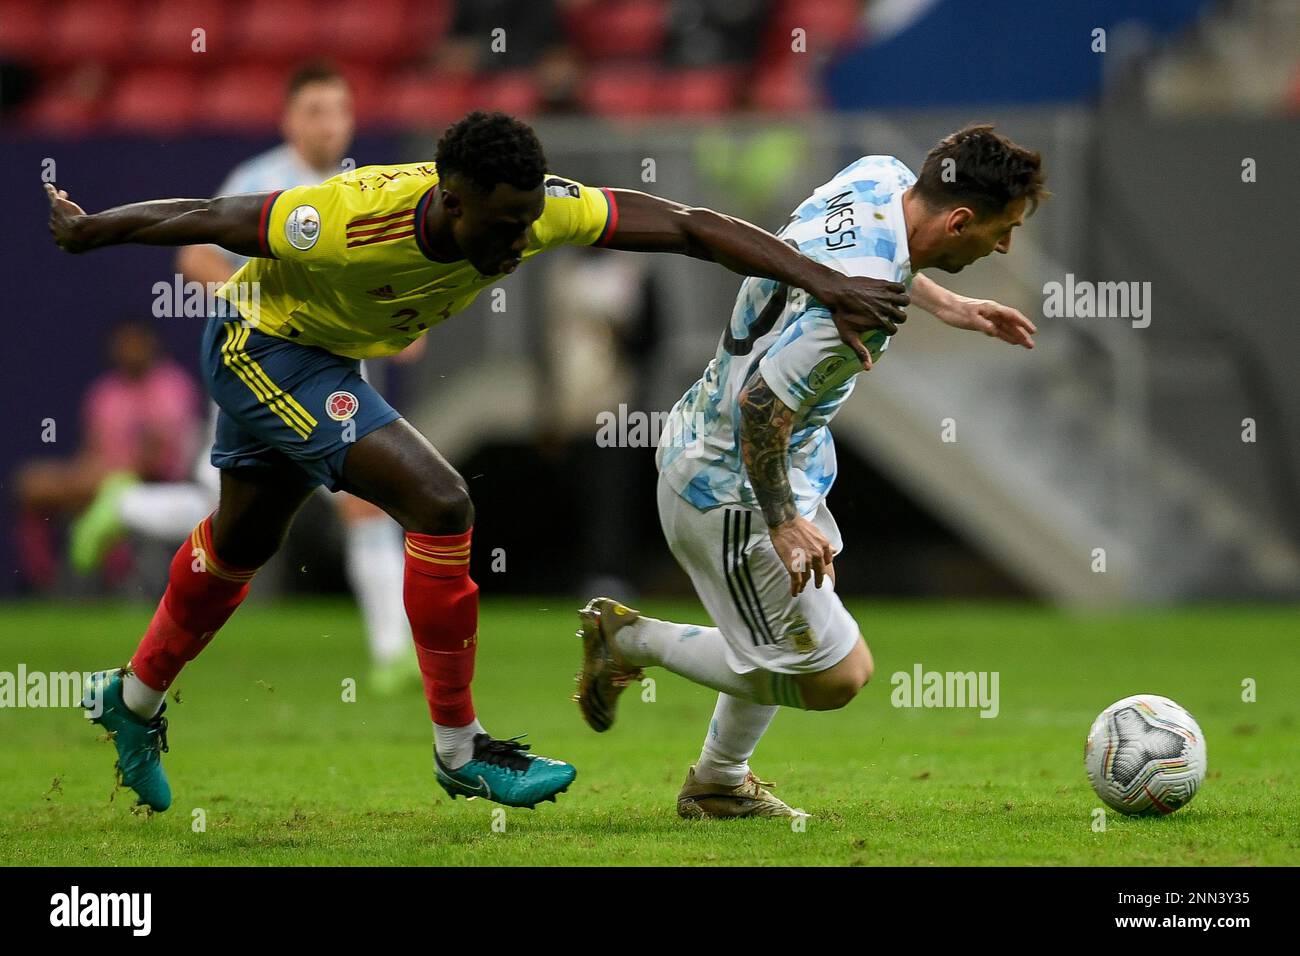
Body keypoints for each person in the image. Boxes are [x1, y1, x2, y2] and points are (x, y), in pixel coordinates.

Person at [46, 110, 909, 813]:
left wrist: (820, 280)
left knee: (239, 545)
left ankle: (130, 703)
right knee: (442, 503)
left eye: (528, 220)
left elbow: (687, 225)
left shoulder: (535, 207)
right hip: (263, 350)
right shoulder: (350, 217)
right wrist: (95, 232)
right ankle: (463, 751)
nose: (518, 243)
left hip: (329, 357)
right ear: (451, 201)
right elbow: (212, 215)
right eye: (502, 226)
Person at [573, 124, 1046, 818]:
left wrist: (952, 307)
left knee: (792, 632)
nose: (1003, 247)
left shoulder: (880, 178)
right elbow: (761, 403)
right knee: (835, 677)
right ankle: (629, 641)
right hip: (727, 488)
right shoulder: (857, 313)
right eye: (1003, 230)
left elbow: (878, 258)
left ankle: (718, 784)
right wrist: (782, 520)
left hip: (749, 457)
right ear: (961, 220)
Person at [70, 62, 422, 695]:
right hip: (258, 371)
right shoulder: (260, 181)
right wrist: (262, 305)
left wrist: (402, 319)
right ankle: (125, 502)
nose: (328, 124)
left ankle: (393, 653)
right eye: (314, 111)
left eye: (338, 111)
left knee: (366, 509)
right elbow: (194, 253)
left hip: (337, 374)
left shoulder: (363, 187)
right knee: (225, 513)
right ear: (290, 120)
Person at [14, 319, 201, 589]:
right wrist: (79, 474)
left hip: (153, 483)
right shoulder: (105, 391)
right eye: (123, 344)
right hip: (98, 477)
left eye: (136, 343)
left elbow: (157, 456)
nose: (130, 350)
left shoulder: (171, 385)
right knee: (31, 483)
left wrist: (107, 472)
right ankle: (45, 582)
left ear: (151, 345)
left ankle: (103, 578)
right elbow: (91, 449)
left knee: (110, 489)